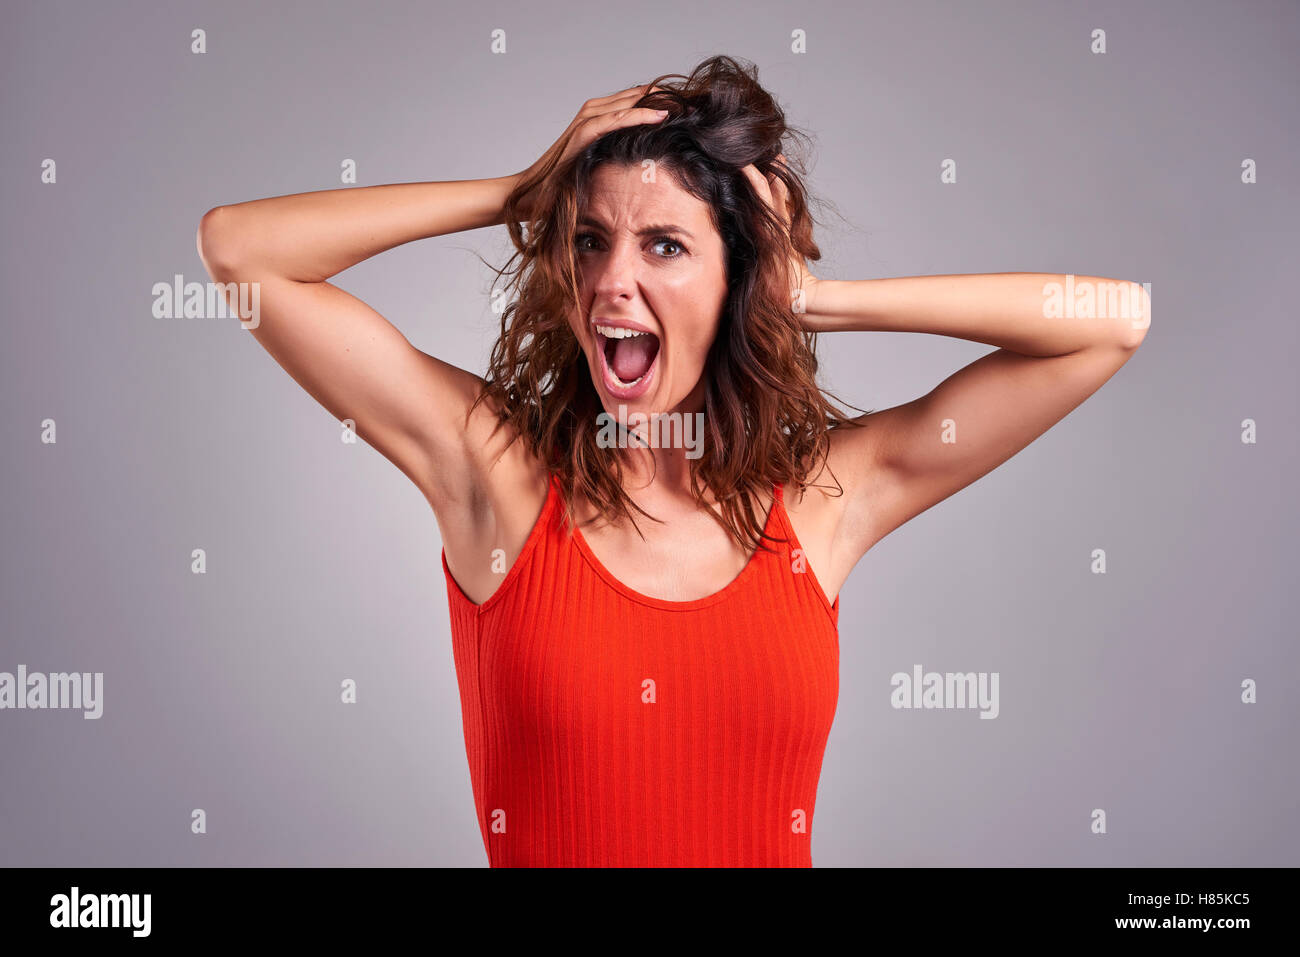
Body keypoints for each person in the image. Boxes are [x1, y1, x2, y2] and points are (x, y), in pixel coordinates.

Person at [196, 55, 1149, 867]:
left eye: (665, 245)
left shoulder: (822, 501)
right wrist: (520, 192)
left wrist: (817, 298)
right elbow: (240, 254)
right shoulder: (496, 477)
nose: (616, 279)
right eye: (590, 239)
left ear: (737, 281)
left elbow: (1111, 326)